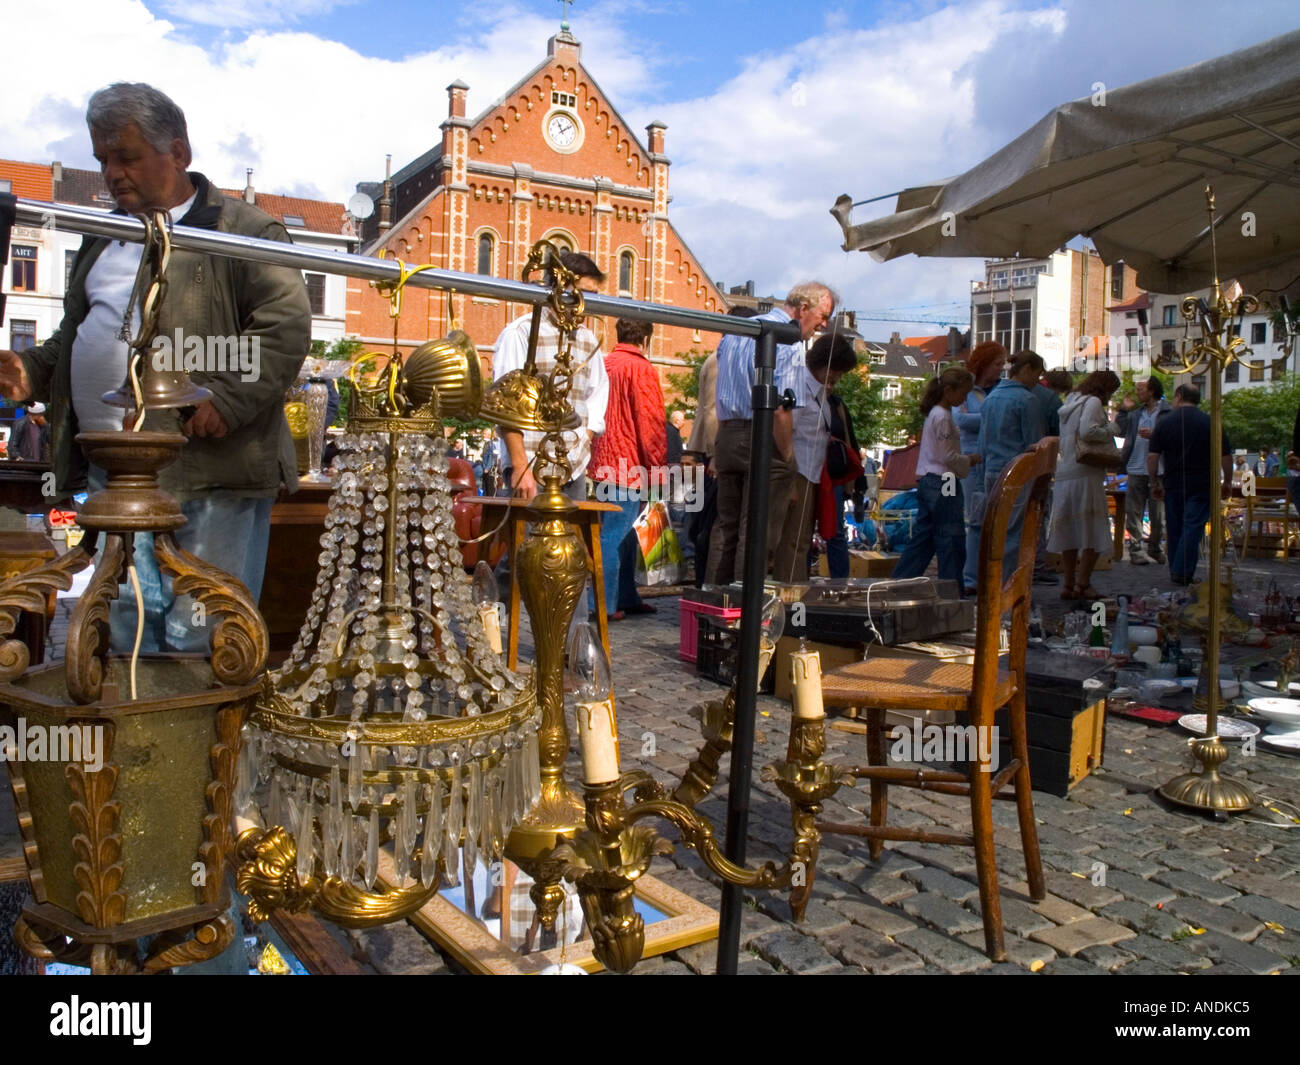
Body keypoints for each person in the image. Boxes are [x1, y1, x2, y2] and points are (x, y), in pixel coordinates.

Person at [0, 82, 309, 653]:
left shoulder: (244, 232)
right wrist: (32, 369)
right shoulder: (106, 235)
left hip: (212, 474)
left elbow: (283, 330)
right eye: (103, 159)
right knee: (125, 628)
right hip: (114, 472)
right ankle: (136, 740)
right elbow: (79, 334)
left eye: (127, 156)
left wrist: (227, 398)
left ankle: (204, 743)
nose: (112, 173)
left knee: (203, 634)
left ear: (180, 153)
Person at [706, 282, 835, 584]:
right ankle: (745, 614)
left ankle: (712, 601)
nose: (824, 324)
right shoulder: (788, 341)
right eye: (823, 315)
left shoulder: (737, 330)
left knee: (725, 527)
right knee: (757, 532)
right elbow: (780, 409)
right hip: (761, 436)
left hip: (728, 435)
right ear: (804, 308)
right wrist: (789, 457)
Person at [491, 250, 609, 501]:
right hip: (530, 468)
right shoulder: (521, 333)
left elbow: (596, 399)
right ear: (560, 287)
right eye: (584, 293)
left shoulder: (588, 340)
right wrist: (520, 466)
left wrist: (583, 442)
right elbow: (505, 406)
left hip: (573, 471)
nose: (588, 304)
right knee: (527, 540)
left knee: (572, 541)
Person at [589, 318, 667, 620]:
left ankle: (624, 597)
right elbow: (651, 426)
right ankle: (604, 605)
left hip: (603, 461)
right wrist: (658, 474)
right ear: (646, 339)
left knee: (622, 536)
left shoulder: (604, 364)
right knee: (613, 537)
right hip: (628, 466)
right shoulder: (642, 368)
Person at [772, 331, 857, 582]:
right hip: (799, 472)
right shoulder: (802, 387)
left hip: (811, 473)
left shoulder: (818, 391)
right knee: (794, 542)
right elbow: (784, 428)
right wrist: (789, 476)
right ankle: (791, 598)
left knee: (801, 542)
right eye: (837, 371)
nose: (838, 378)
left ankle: (796, 594)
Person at [892, 366, 981, 582]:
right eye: (962, 393)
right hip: (944, 480)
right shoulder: (942, 417)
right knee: (951, 539)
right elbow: (947, 456)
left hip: (930, 479)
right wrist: (970, 459)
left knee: (925, 537)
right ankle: (951, 589)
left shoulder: (937, 414)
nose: (964, 399)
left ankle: (901, 580)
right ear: (949, 390)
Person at [1047, 371, 1121, 600]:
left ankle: (1068, 583)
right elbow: (1089, 431)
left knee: (1069, 532)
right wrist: (1113, 429)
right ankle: (1082, 583)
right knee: (1091, 531)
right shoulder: (1093, 402)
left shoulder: (1071, 401)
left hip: (1065, 472)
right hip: (1086, 473)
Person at [1148, 384, 1231, 586]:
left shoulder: (1165, 423)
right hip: (1202, 483)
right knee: (1193, 527)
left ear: (1178, 397)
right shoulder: (1211, 422)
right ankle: (1182, 571)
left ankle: (1177, 571)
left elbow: (1152, 457)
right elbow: (1226, 456)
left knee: (1175, 528)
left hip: (1173, 482)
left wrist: (1154, 481)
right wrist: (1227, 481)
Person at [976, 349, 1048, 575]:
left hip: (991, 472)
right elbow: (1035, 445)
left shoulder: (991, 398)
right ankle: (1006, 594)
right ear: (1026, 370)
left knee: (994, 533)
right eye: (1037, 375)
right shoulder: (1027, 399)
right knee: (1013, 535)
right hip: (1017, 474)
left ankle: (990, 588)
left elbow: (982, 444)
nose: (1037, 382)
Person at [953, 341, 1006, 595]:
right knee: (974, 519)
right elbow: (960, 419)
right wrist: (992, 416)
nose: (1001, 369)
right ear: (985, 363)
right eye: (997, 364)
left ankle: (984, 571)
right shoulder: (967, 389)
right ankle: (970, 576)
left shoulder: (993, 391)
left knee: (988, 519)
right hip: (972, 460)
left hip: (989, 459)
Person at [1116, 376, 1171, 565]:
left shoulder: (1167, 412)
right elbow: (1120, 430)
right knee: (1134, 512)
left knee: (1158, 515)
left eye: (1141, 389)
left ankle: (1155, 548)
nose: (1138, 392)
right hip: (1135, 467)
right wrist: (1124, 409)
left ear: (1152, 391)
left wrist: (1156, 435)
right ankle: (1136, 550)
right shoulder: (1135, 414)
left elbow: (1174, 437)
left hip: (1159, 470)